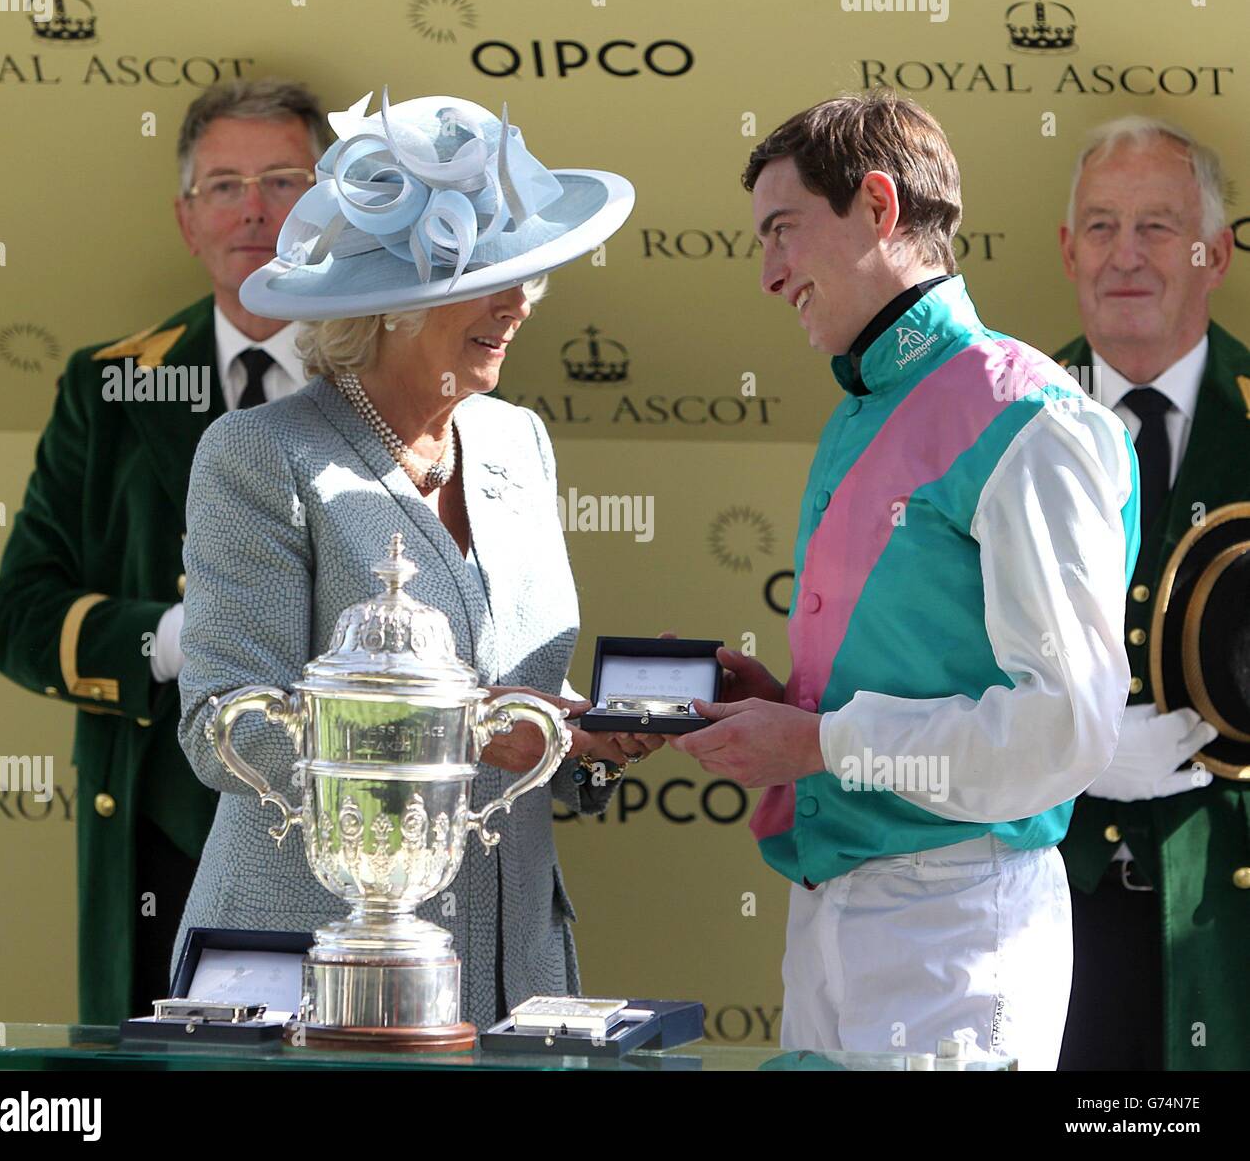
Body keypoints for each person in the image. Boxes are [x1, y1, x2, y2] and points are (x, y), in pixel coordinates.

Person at [669, 88, 1140, 1070]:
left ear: (878, 210)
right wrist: (792, 710)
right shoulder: (864, 402)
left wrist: (822, 740)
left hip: (959, 928)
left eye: (783, 233)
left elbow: (1063, 727)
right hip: (834, 917)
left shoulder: (1030, 417)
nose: (767, 274)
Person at [171, 90, 660, 1029]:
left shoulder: (518, 440)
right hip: (318, 969)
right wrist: (472, 737)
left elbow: (526, 712)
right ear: (390, 303)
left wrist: (584, 747)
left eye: (530, 276)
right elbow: (225, 726)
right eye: (488, 278)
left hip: (514, 968)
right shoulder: (260, 457)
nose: (520, 305)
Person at [0, 77, 328, 1024]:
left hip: (350, 837)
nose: (253, 209)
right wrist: (173, 636)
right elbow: (16, 616)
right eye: (224, 186)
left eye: (285, 180)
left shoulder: (387, 369)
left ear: (332, 202)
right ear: (187, 219)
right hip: (159, 837)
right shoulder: (110, 387)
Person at [1054, 115, 1249, 1072]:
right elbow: (926, 664)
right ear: (1066, 249)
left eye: (1158, 228)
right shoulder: (997, 422)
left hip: (1227, 920)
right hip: (1042, 911)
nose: (1124, 256)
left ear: (1215, 252)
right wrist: (1066, 752)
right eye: (1100, 226)